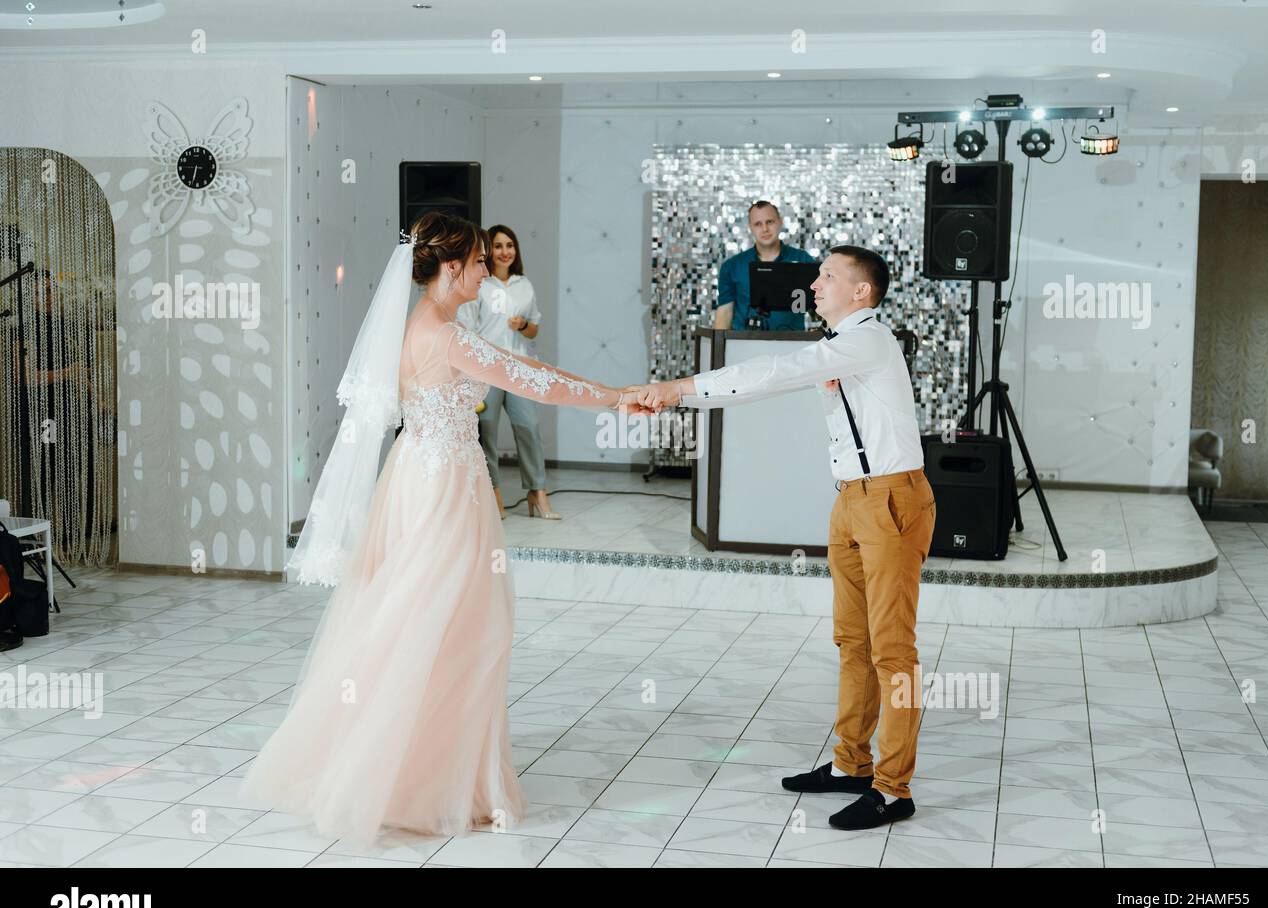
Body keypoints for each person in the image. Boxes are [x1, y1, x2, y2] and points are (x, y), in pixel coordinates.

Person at [240, 212, 639, 846]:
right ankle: (419, 781)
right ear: (451, 269)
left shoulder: (421, 325)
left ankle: (422, 768)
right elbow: (537, 379)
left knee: (425, 620)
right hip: (445, 488)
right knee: (454, 625)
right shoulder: (447, 337)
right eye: (480, 261)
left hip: (420, 476)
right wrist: (619, 396)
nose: (488, 270)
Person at [635, 245, 935, 831]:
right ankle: (851, 763)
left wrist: (675, 388)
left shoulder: (867, 338)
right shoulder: (842, 344)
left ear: (861, 292)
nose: (815, 283)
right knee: (853, 640)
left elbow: (772, 373)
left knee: (892, 650)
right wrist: (684, 397)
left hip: (891, 499)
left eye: (828, 276)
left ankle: (894, 791)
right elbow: (764, 382)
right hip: (852, 498)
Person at [458, 225, 560, 520]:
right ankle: (494, 495)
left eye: (510, 245)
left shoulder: (524, 285)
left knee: (528, 428)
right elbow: (466, 328)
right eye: (498, 246)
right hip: (487, 370)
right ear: (488, 252)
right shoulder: (479, 284)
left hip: (519, 368)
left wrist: (522, 326)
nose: (505, 252)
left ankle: (537, 492)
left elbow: (534, 328)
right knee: (486, 432)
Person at [712, 200, 816, 331]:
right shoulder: (732, 266)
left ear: (780, 221)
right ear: (750, 227)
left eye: (770, 222)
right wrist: (717, 349)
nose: (765, 229)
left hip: (793, 346)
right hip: (743, 346)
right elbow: (725, 312)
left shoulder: (803, 260)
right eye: (758, 224)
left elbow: (821, 305)